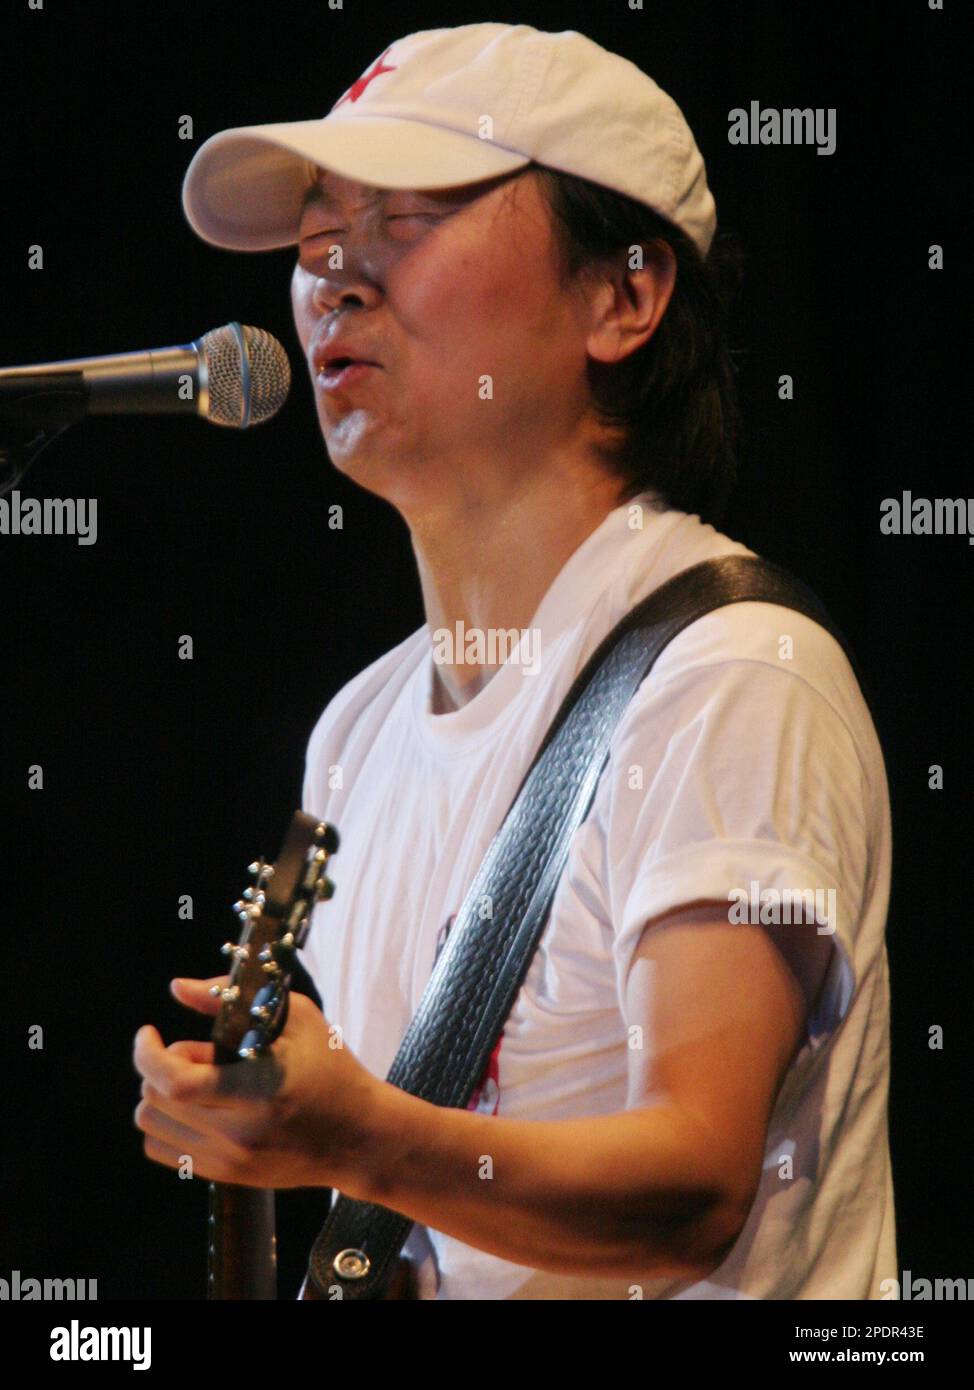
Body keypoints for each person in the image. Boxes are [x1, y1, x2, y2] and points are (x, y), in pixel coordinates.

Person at [133, 21, 896, 1300]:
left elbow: (691, 1190)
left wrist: (357, 1136)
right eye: (320, 230)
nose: (333, 272)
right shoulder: (356, 732)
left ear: (623, 294)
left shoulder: (730, 678)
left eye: (408, 215)